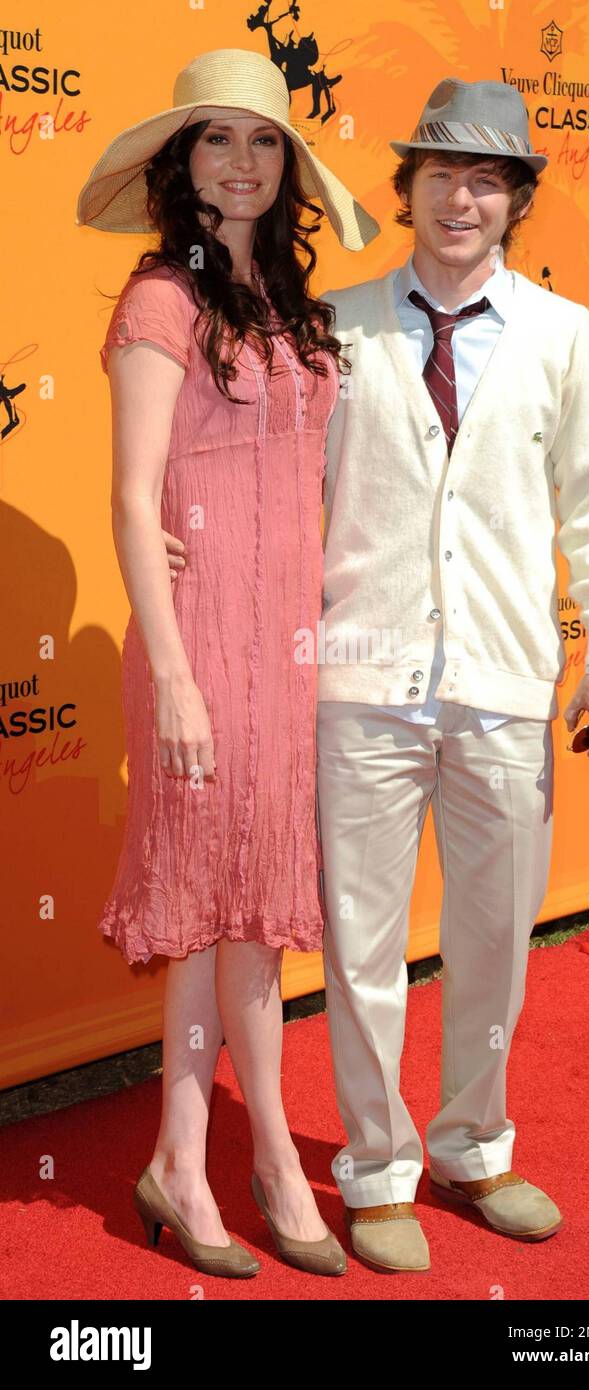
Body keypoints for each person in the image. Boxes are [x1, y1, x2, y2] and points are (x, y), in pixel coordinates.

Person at [312, 78, 589, 1272]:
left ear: (516, 202)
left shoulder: (563, 335)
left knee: (496, 937)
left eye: (489, 178)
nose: (464, 196)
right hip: (357, 683)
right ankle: (374, 1165)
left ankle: (474, 1145)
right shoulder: (334, 326)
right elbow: (284, 497)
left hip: (504, 681)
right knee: (360, 942)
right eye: (443, 173)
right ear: (405, 189)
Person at [76, 46, 378, 1279]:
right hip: (201, 656)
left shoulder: (294, 315)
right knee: (211, 910)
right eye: (216, 141)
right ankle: (226, 1164)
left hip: (287, 650)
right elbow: (129, 500)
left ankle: (199, 1159)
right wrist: (183, 676)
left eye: (263, 143)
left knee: (244, 914)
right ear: (179, 164)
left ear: (287, 169)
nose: (242, 163)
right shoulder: (162, 301)